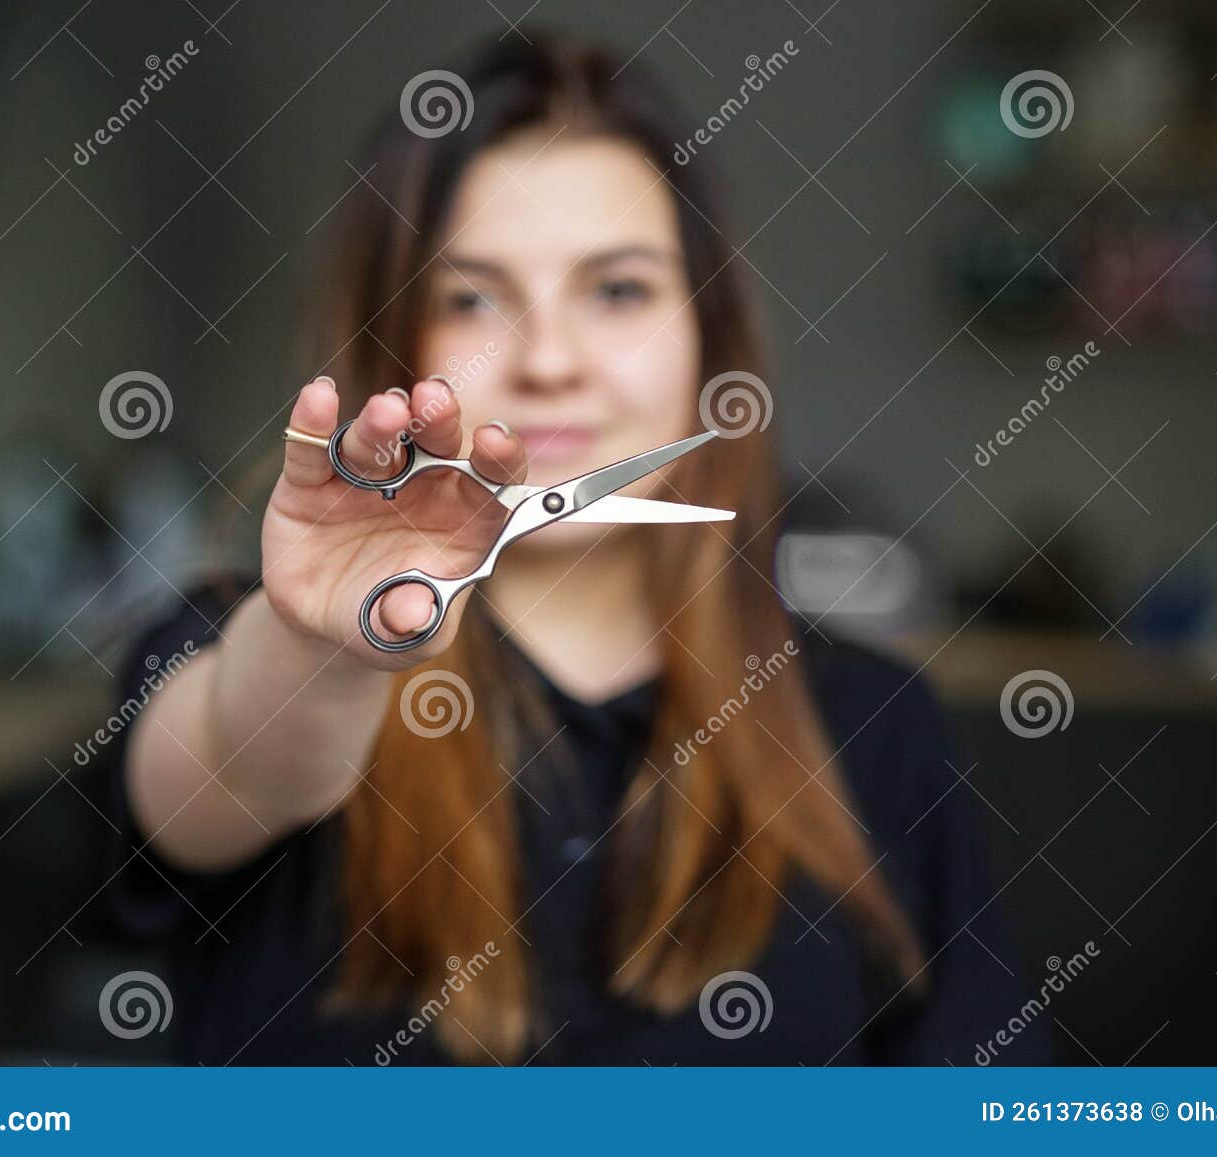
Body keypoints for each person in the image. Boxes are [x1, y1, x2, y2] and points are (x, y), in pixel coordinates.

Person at [103, 34, 1051, 1066]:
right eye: (470, 298)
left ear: (710, 342)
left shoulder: (873, 723)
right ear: (392, 345)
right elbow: (231, 768)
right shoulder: (235, 647)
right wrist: (329, 648)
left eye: (618, 290)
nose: (550, 360)